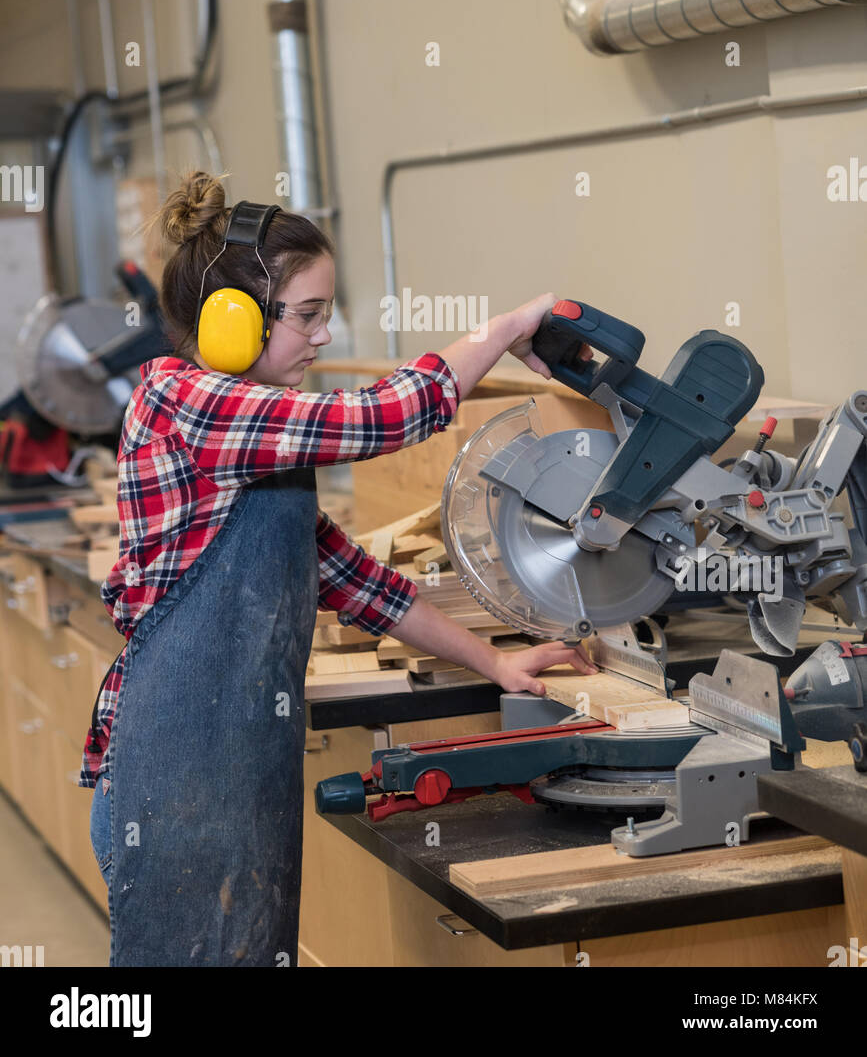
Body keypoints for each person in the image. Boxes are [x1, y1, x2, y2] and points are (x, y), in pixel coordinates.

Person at [83, 168, 598, 967]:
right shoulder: (191, 403)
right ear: (232, 321)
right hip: (172, 788)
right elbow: (381, 416)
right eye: (309, 315)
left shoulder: (251, 431)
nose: (324, 336)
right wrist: (505, 327)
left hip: (229, 784)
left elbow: (355, 581)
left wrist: (494, 660)